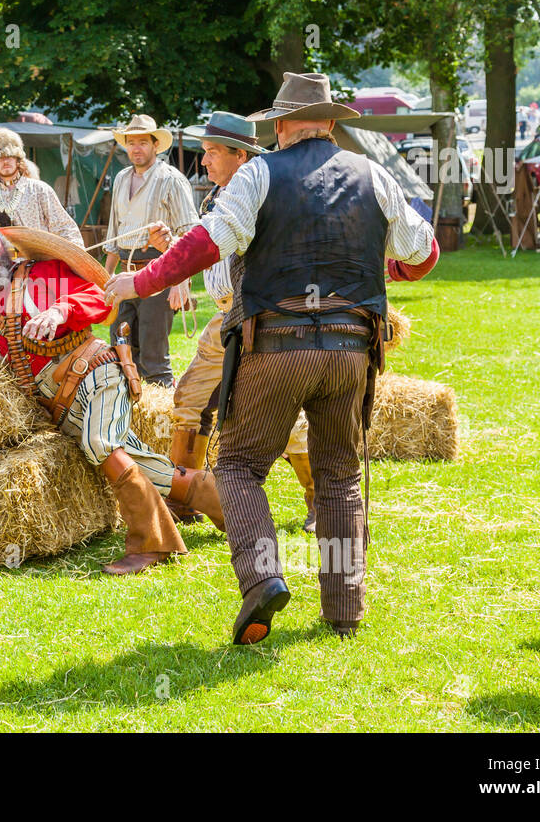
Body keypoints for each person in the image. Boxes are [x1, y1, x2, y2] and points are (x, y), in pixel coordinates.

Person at [106, 72, 439, 643]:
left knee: (237, 467)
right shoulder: (375, 175)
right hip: (351, 351)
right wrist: (380, 268)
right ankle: (344, 610)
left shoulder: (259, 173)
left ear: (280, 125)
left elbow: (211, 242)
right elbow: (421, 252)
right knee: (340, 479)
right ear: (330, 122)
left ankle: (263, 580)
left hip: (276, 346)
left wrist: (140, 282)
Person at [0, 225, 226, 575]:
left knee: (100, 444)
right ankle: (226, 503)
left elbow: (99, 296)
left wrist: (60, 311)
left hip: (96, 375)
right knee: (133, 460)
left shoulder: (43, 273)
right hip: (59, 408)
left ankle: (152, 543)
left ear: (6, 250)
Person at [160, 112, 318, 532]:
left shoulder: (265, 198)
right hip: (223, 321)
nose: (204, 162)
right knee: (188, 402)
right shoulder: (217, 197)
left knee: (280, 416)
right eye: (204, 152)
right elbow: (212, 255)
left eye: (212, 153)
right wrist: (174, 247)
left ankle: (317, 500)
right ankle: (184, 495)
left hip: (259, 318)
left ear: (241, 155)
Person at [102, 114, 200, 386]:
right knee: (119, 352)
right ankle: (125, 416)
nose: (136, 148)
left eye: (143, 142)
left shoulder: (172, 179)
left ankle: (160, 417)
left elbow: (190, 234)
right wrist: (104, 278)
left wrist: (182, 279)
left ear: (156, 145)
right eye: (131, 142)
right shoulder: (121, 178)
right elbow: (114, 235)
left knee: (153, 359)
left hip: (160, 274)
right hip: (124, 276)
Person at [0, 128, 83, 246]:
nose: (5, 161)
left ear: (18, 160)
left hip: (38, 260)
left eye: (9, 156)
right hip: (2, 262)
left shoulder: (40, 190)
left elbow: (64, 227)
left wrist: (76, 254)